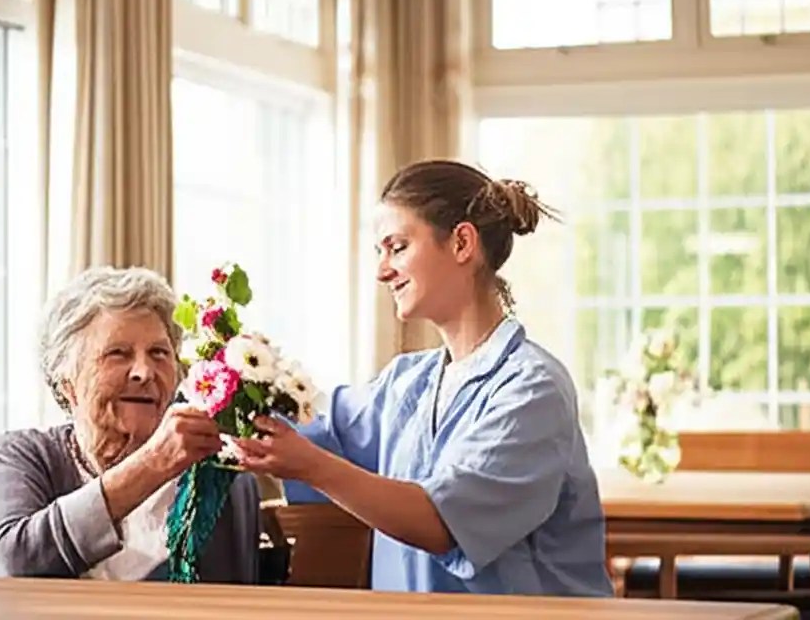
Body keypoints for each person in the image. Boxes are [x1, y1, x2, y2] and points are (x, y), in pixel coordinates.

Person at [234, 159, 612, 596]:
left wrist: (311, 466)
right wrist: (227, 393)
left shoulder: (532, 391)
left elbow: (441, 523)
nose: (381, 270)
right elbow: (310, 422)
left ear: (462, 243)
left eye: (396, 247)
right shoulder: (406, 382)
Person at [0, 266, 260, 581]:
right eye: (118, 353)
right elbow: (17, 562)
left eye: (159, 353)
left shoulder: (217, 482)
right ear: (67, 382)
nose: (144, 372)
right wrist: (152, 463)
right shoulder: (19, 457)